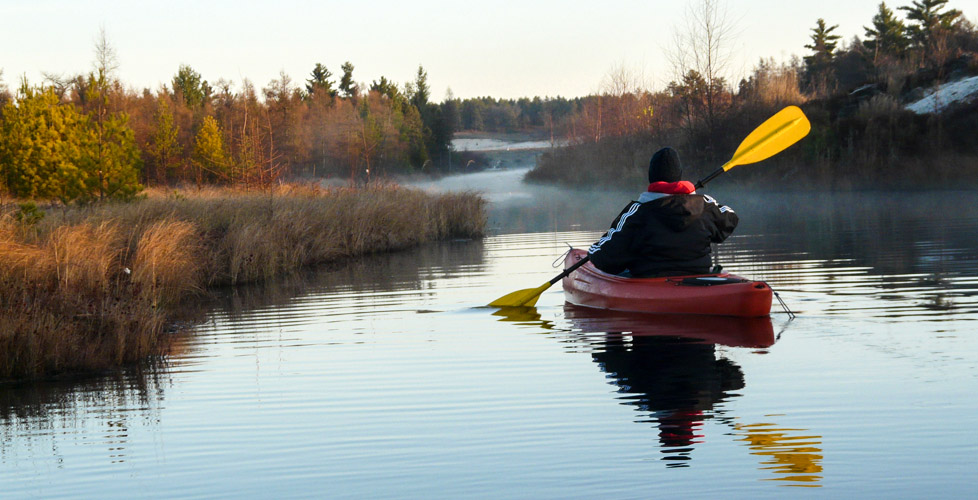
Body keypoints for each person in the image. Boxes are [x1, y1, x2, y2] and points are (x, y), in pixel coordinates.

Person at [588, 147, 738, 277]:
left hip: (651, 280)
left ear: (652, 177)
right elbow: (730, 218)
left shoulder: (638, 212)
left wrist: (592, 252)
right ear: (678, 175)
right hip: (698, 276)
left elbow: (606, 258)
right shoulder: (704, 204)